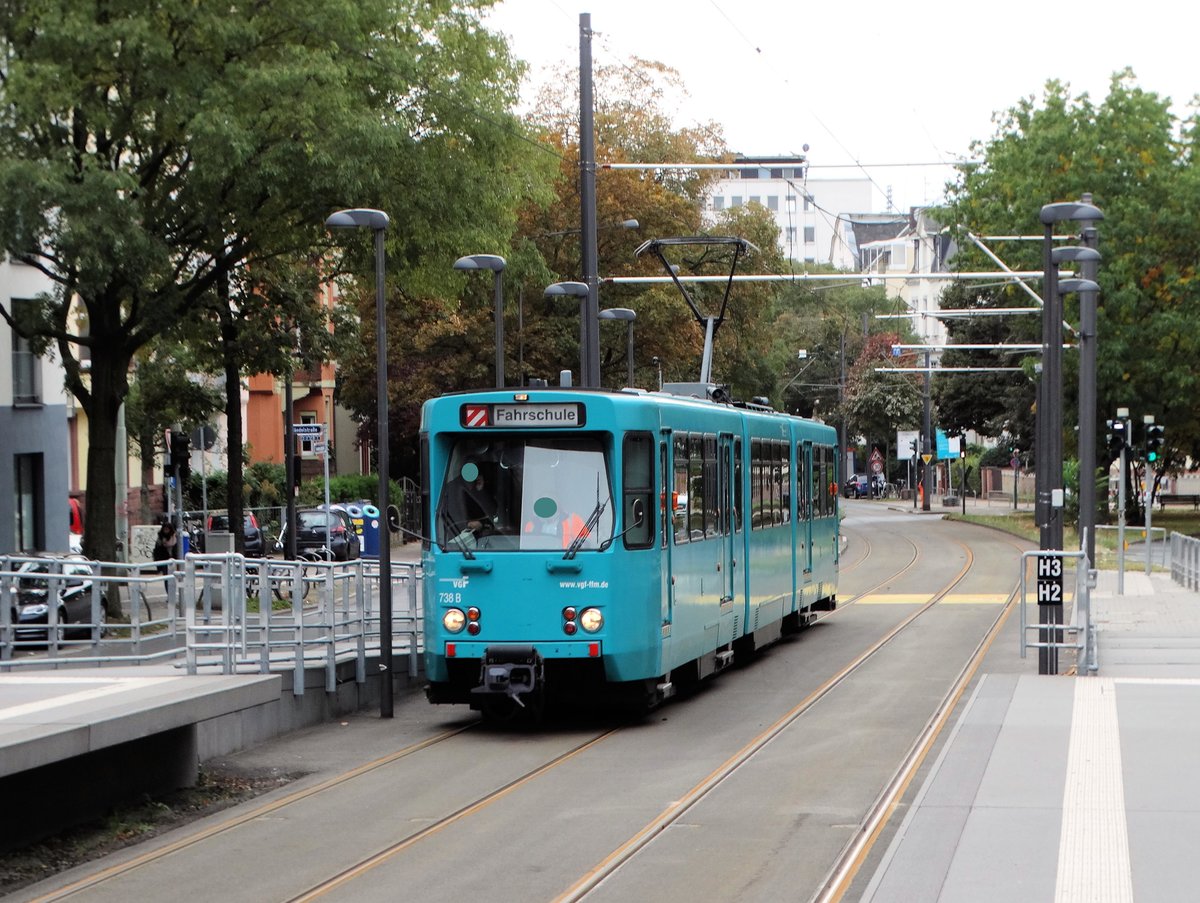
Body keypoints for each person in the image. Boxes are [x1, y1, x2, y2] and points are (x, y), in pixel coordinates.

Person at [445, 462, 498, 537]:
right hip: (461, 537)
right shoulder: (452, 489)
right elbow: (451, 516)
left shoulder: (481, 487)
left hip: (485, 535)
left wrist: (481, 491)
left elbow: (493, 512)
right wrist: (468, 524)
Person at [153, 520, 178, 591]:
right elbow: (157, 552)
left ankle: (172, 592)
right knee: (167, 578)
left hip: (173, 560)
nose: (166, 531)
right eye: (165, 529)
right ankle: (169, 593)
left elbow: (176, 550)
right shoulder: (160, 539)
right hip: (164, 560)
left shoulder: (174, 538)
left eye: (167, 529)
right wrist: (158, 565)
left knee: (173, 577)